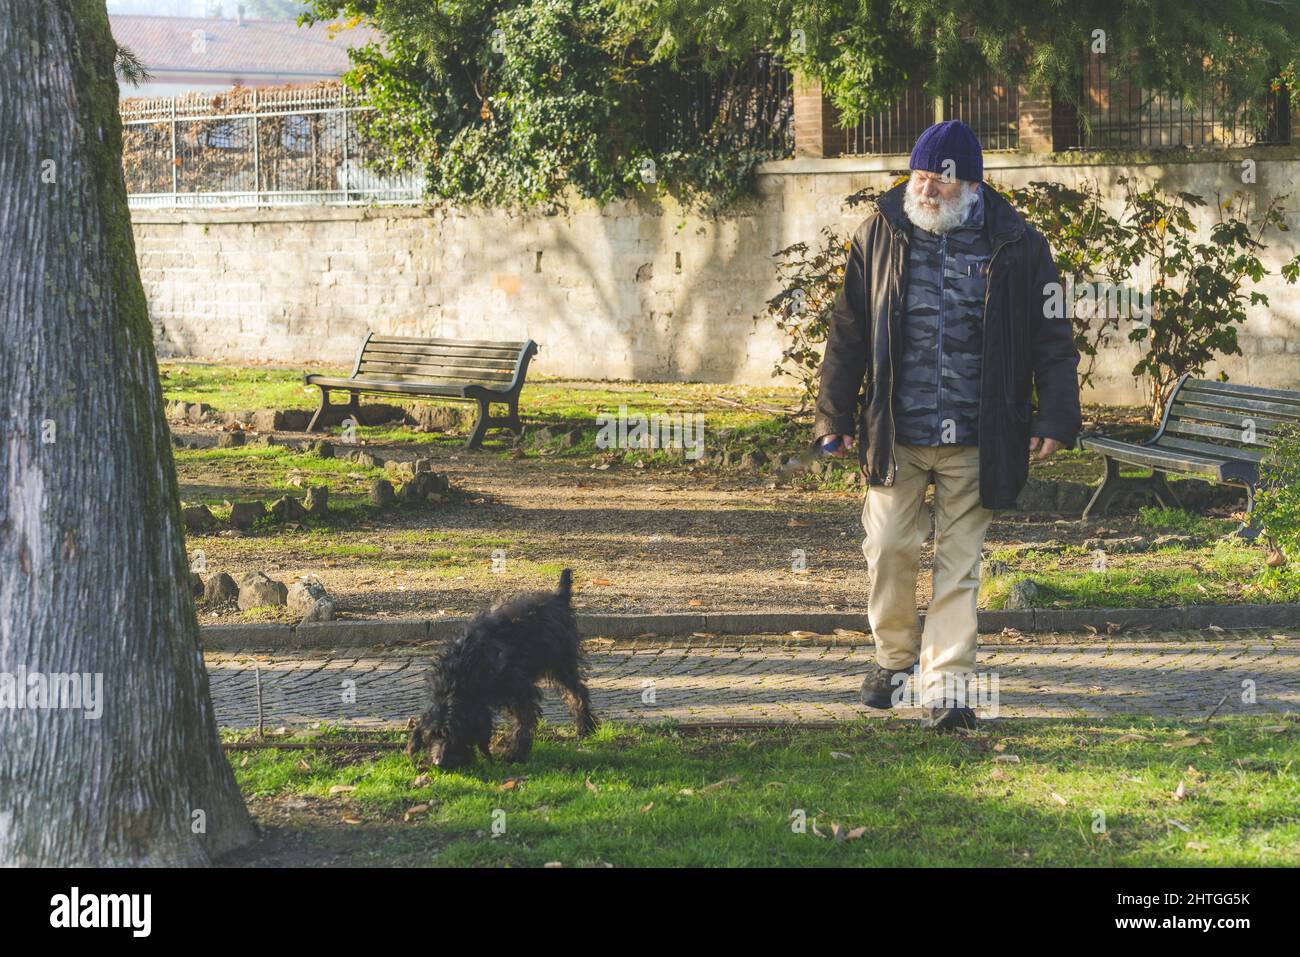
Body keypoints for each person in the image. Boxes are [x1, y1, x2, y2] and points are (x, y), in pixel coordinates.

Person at [813, 119, 1082, 730]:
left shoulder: (1018, 244)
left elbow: (1052, 338)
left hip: (979, 435)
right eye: (921, 176)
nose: (928, 189)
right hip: (894, 431)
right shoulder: (879, 232)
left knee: (959, 567)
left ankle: (950, 688)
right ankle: (895, 657)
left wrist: (1056, 415)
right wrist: (833, 412)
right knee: (888, 550)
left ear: (973, 184)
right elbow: (848, 329)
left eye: (941, 179)